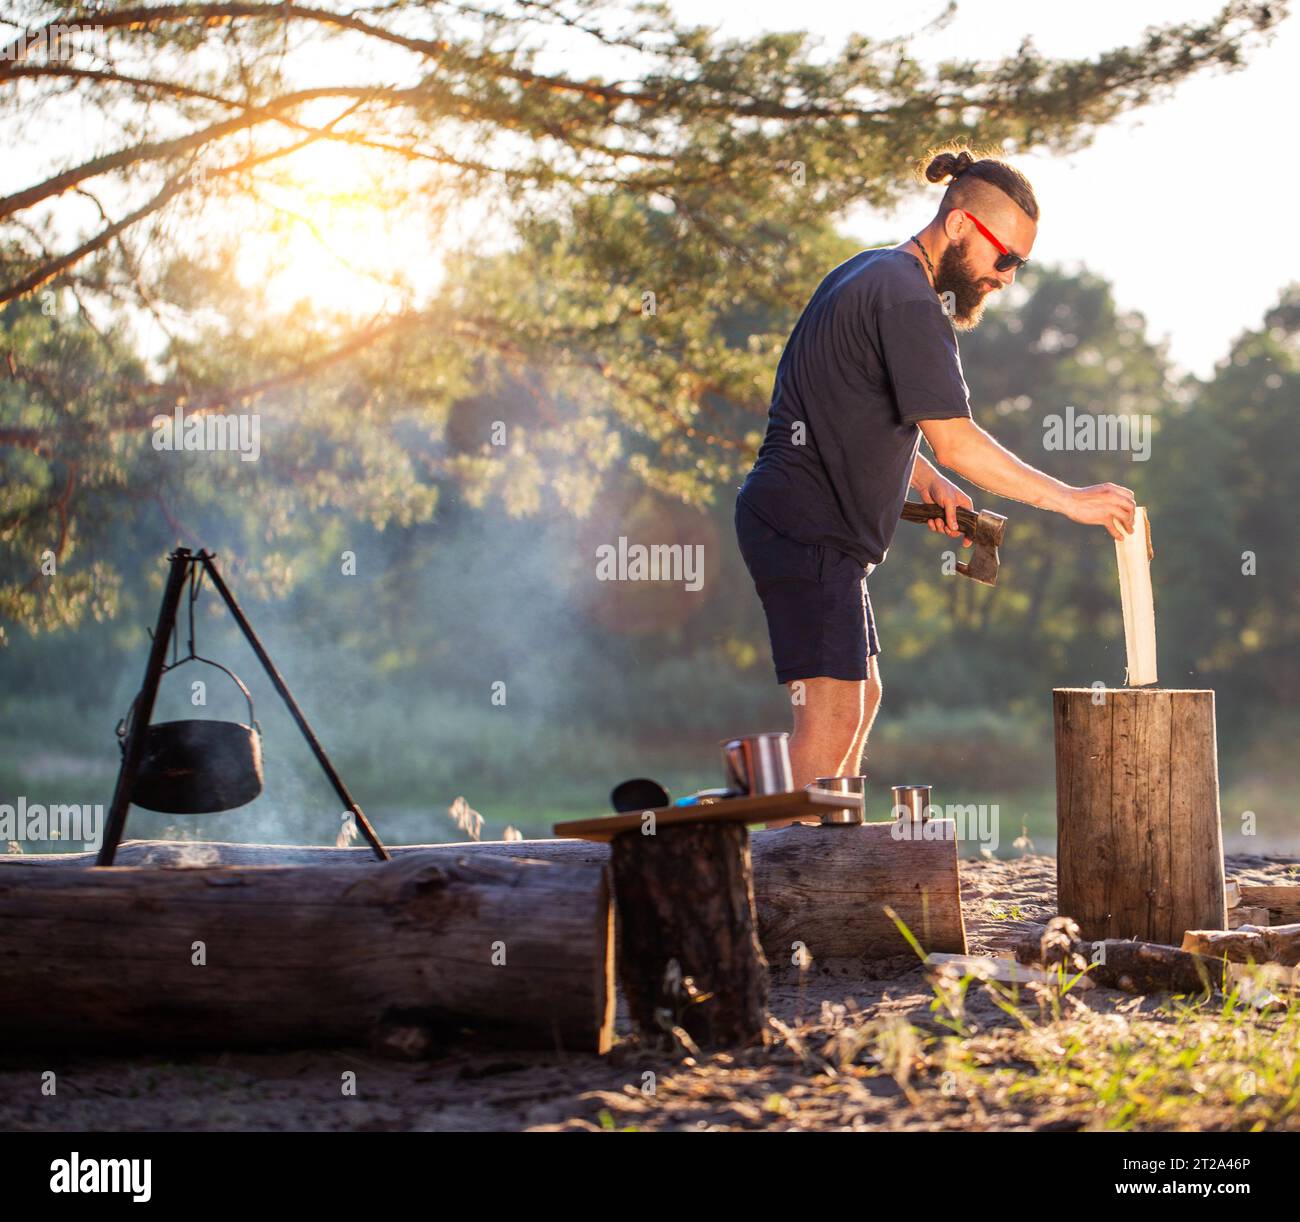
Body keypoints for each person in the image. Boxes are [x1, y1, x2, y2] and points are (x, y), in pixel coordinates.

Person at [734, 146, 1137, 789]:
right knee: (834, 713)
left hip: (806, 527)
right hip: (804, 525)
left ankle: (819, 856)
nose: (1007, 277)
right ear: (957, 226)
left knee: (858, 699)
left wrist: (922, 478)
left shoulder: (868, 272)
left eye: (1020, 265)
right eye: (1003, 257)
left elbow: (849, 408)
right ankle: (782, 875)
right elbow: (957, 441)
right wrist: (1071, 499)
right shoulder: (911, 302)